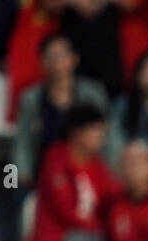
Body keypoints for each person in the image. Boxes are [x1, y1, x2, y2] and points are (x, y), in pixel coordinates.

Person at [23, 104, 119, 241]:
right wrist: (102, 229)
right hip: (60, 234)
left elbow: (114, 198)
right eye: (95, 130)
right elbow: (64, 210)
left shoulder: (97, 166)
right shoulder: (56, 159)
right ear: (76, 132)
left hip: (92, 232)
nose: (101, 137)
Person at [12, 33, 110, 185]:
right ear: (42, 62)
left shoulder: (93, 94)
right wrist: (20, 180)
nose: (57, 62)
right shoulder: (31, 99)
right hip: (44, 179)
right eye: (51, 56)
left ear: (74, 59)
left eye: (62, 55)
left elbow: (106, 138)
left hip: (87, 176)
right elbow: (23, 144)